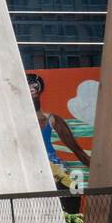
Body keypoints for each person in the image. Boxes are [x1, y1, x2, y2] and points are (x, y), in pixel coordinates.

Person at [28, 73, 90, 210]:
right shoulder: (19, 122)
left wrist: (95, 167)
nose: (32, 89)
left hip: (54, 169)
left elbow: (76, 149)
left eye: (34, 86)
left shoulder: (52, 119)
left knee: (73, 190)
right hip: (32, 170)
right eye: (28, 86)